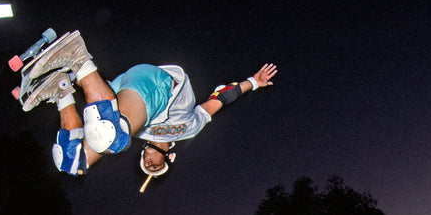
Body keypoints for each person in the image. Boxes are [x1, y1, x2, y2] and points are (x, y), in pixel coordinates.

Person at [21, 30, 277, 186]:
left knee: (73, 162)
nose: (149, 163)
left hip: (120, 88)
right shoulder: (189, 128)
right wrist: (254, 82)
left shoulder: (138, 132)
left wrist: (72, 92)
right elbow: (219, 99)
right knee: (113, 136)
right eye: (155, 166)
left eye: (147, 166)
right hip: (159, 85)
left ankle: (61, 90)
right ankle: (77, 57)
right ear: (169, 157)